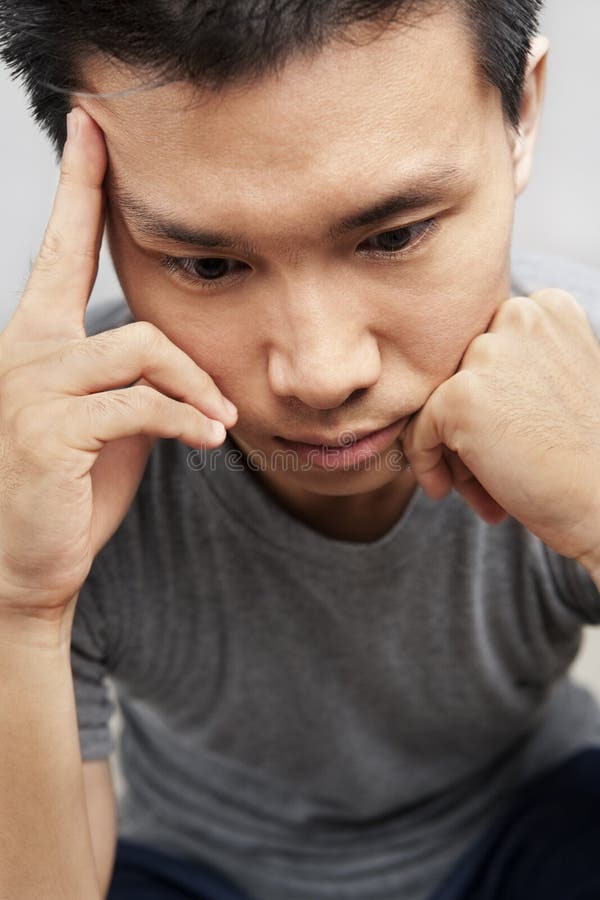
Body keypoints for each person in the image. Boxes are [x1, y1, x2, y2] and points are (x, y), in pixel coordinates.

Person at [1, 1, 600, 898]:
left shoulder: (586, 386)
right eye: (208, 265)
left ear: (521, 113)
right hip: (190, 871)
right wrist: (18, 605)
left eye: (394, 236)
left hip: (537, 828)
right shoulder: (63, 468)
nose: (321, 373)